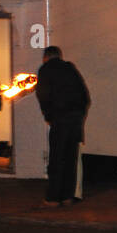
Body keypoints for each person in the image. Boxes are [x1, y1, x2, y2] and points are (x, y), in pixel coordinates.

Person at [34, 45, 90, 206]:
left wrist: (49, 116)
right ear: (59, 55)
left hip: (59, 119)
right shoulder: (70, 69)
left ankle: (53, 197)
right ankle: (67, 196)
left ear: (46, 57)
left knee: (57, 158)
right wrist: (80, 115)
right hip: (75, 121)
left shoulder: (45, 70)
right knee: (70, 159)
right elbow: (85, 96)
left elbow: (43, 95)